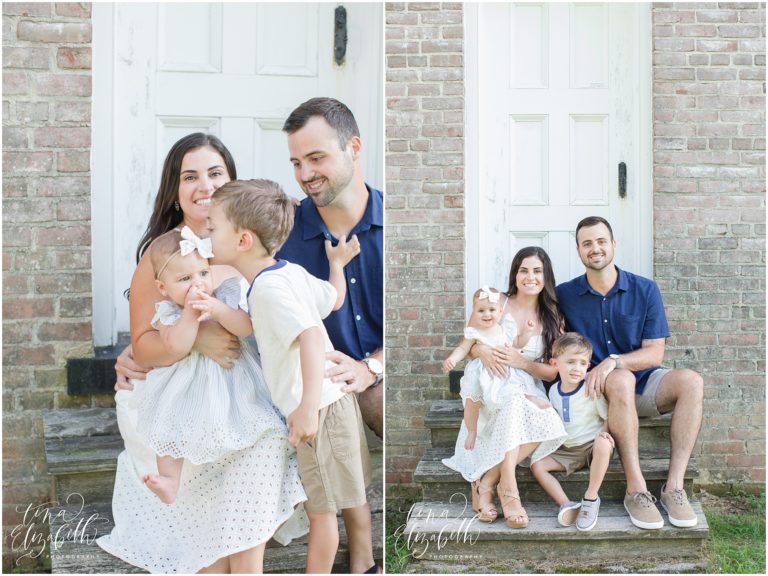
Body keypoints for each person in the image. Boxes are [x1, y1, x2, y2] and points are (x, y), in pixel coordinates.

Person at [101, 133, 307, 573]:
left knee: (265, 440)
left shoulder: (250, 244)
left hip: (243, 383)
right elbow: (144, 344)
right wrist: (196, 336)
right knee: (194, 442)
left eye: (215, 173)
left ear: (231, 181)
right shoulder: (159, 256)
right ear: (174, 190)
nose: (204, 185)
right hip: (176, 388)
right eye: (189, 176)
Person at [206, 179, 375, 574]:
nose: (207, 235)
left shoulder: (268, 290)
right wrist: (336, 265)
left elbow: (313, 336)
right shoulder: (286, 274)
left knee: (322, 512)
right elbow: (331, 300)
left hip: (320, 409)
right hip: (331, 404)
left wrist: (306, 407)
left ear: (243, 240)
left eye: (213, 228)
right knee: (340, 500)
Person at [556, 216, 703, 529]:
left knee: (691, 381)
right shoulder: (565, 295)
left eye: (600, 241)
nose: (594, 248)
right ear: (579, 251)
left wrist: (614, 360)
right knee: (620, 379)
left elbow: (655, 352)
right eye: (586, 243)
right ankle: (635, 490)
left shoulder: (644, 289)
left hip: (644, 383)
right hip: (599, 392)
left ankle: (673, 487)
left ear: (613, 245)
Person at [133, 227, 274, 505]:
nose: (197, 284)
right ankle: (170, 481)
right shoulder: (168, 311)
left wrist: (219, 310)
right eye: (185, 279)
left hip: (232, 377)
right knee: (169, 422)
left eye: (203, 274)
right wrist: (189, 314)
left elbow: (245, 328)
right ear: (164, 288)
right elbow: (175, 345)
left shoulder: (224, 295)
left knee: (246, 415)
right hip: (187, 381)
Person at [277, 97, 383, 441]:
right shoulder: (281, 234)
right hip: (319, 383)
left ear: (353, 148)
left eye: (316, 158)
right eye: (296, 163)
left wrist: (372, 367)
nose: (305, 175)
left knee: (380, 399)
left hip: (382, 378)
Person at [442, 247, 568, 529]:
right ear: (515, 274)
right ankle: (508, 492)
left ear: (545, 276)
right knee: (512, 405)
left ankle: (488, 481)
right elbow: (470, 340)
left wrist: (522, 362)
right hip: (491, 384)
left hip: (526, 382)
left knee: (547, 418)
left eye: (537, 271)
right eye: (524, 270)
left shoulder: (553, 316)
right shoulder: (496, 301)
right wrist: (482, 351)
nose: (530, 277)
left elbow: (551, 373)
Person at [442, 286, 550, 452]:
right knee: (472, 402)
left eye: (492, 310)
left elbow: (518, 344)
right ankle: (471, 431)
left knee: (520, 385)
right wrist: (453, 359)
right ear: (474, 312)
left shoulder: (505, 328)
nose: (487, 314)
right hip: (480, 374)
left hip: (505, 372)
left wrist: (527, 333)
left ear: (500, 312)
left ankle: (532, 399)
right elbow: (463, 349)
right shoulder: (474, 332)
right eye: (481, 311)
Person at [531, 333, 614, 532]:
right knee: (537, 465)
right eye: (570, 362)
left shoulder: (590, 388)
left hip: (593, 445)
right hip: (569, 449)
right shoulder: (553, 392)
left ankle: (590, 498)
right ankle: (566, 504)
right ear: (554, 363)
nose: (577, 368)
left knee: (604, 443)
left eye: (582, 363)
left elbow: (608, 415)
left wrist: (605, 433)